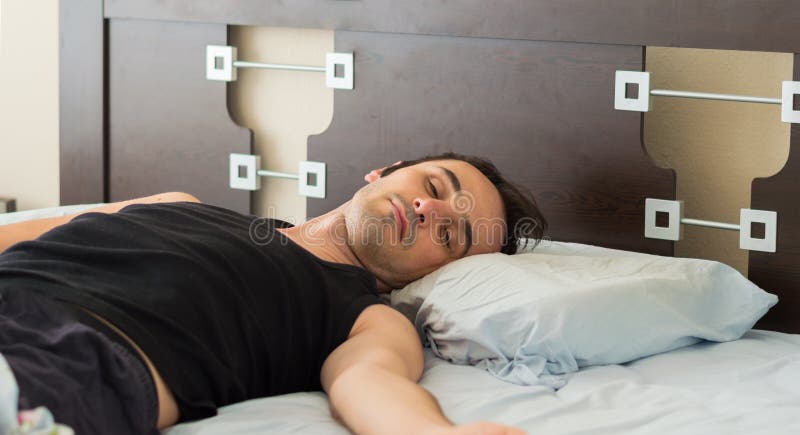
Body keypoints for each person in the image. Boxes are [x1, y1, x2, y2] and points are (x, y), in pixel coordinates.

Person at [0, 152, 546, 435]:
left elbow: (371, 384)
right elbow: (17, 236)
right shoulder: (176, 203)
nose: (429, 210)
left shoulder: (367, 319)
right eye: (432, 186)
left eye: (449, 234)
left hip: (65, 360)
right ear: (384, 172)